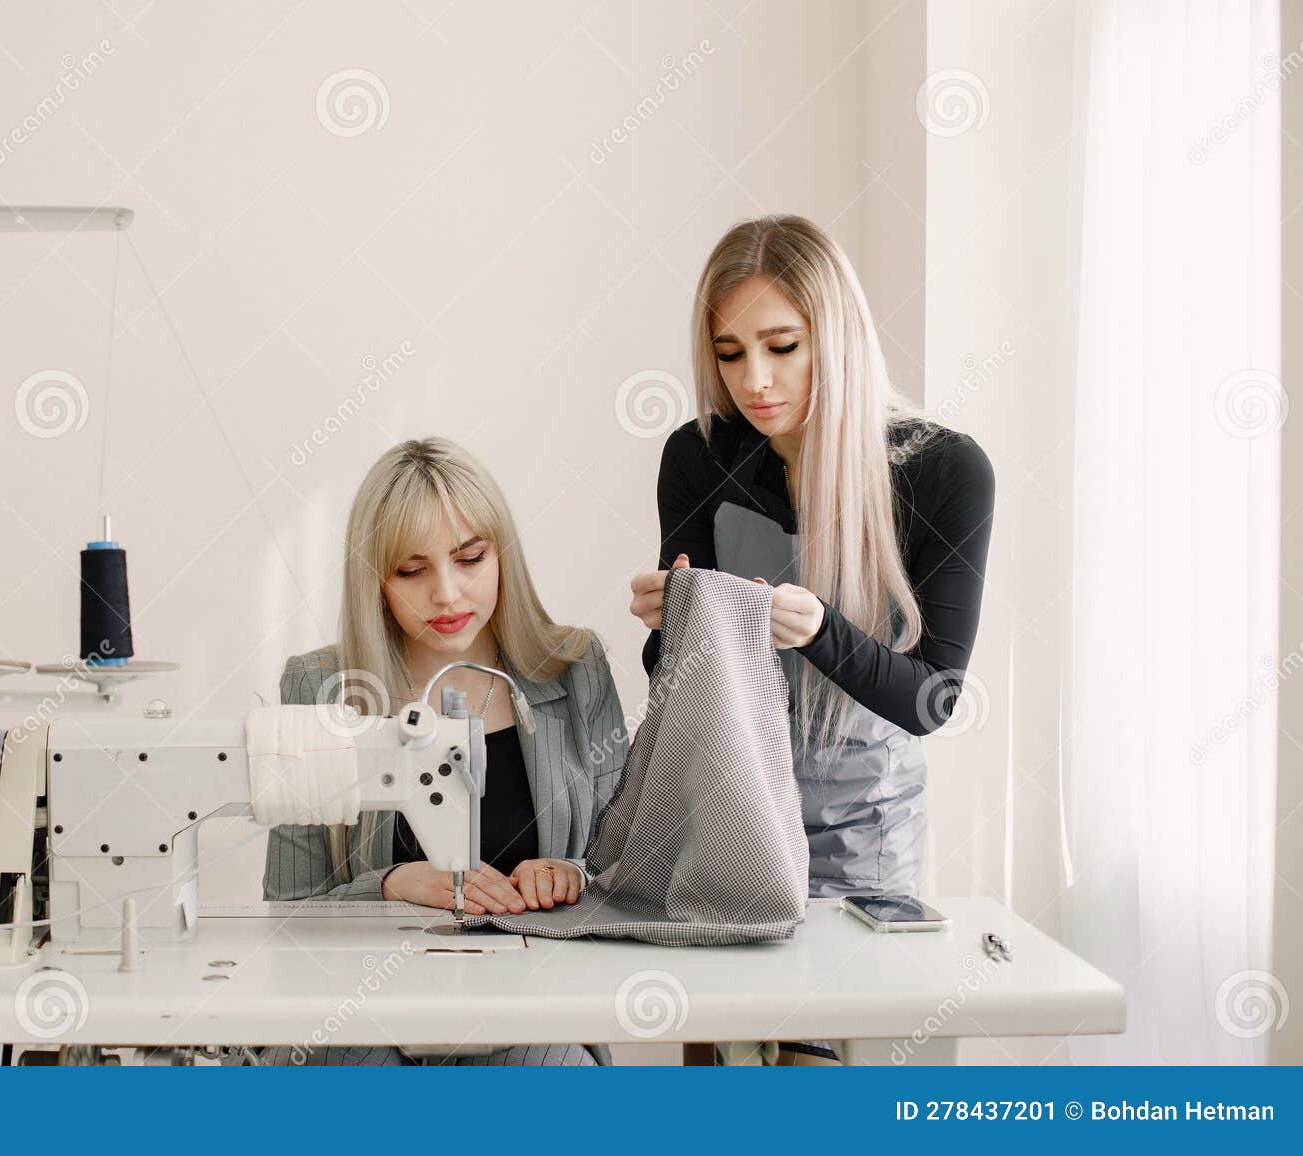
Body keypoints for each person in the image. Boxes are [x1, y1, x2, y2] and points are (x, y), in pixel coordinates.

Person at [628, 214, 995, 1065]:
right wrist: (674, 626)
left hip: (861, 826)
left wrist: (823, 632)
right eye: (729, 352)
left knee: (811, 1072)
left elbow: (932, 698)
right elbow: (672, 687)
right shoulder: (701, 455)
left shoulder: (943, 471)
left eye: (782, 346)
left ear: (834, 335)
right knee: (716, 1076)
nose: (754, 381)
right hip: (726, 801)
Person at [262, 437, 628, 1066]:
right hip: (363, 1019)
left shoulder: (573, 671)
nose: (447, 594)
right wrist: (393, 885)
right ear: (373, 579)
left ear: (501, 555)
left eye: (469, 558)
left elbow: (630, 880)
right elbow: (289, 917)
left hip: (532, 1013)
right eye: (411, 570)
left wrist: (573, 876)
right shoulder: (319, 690)